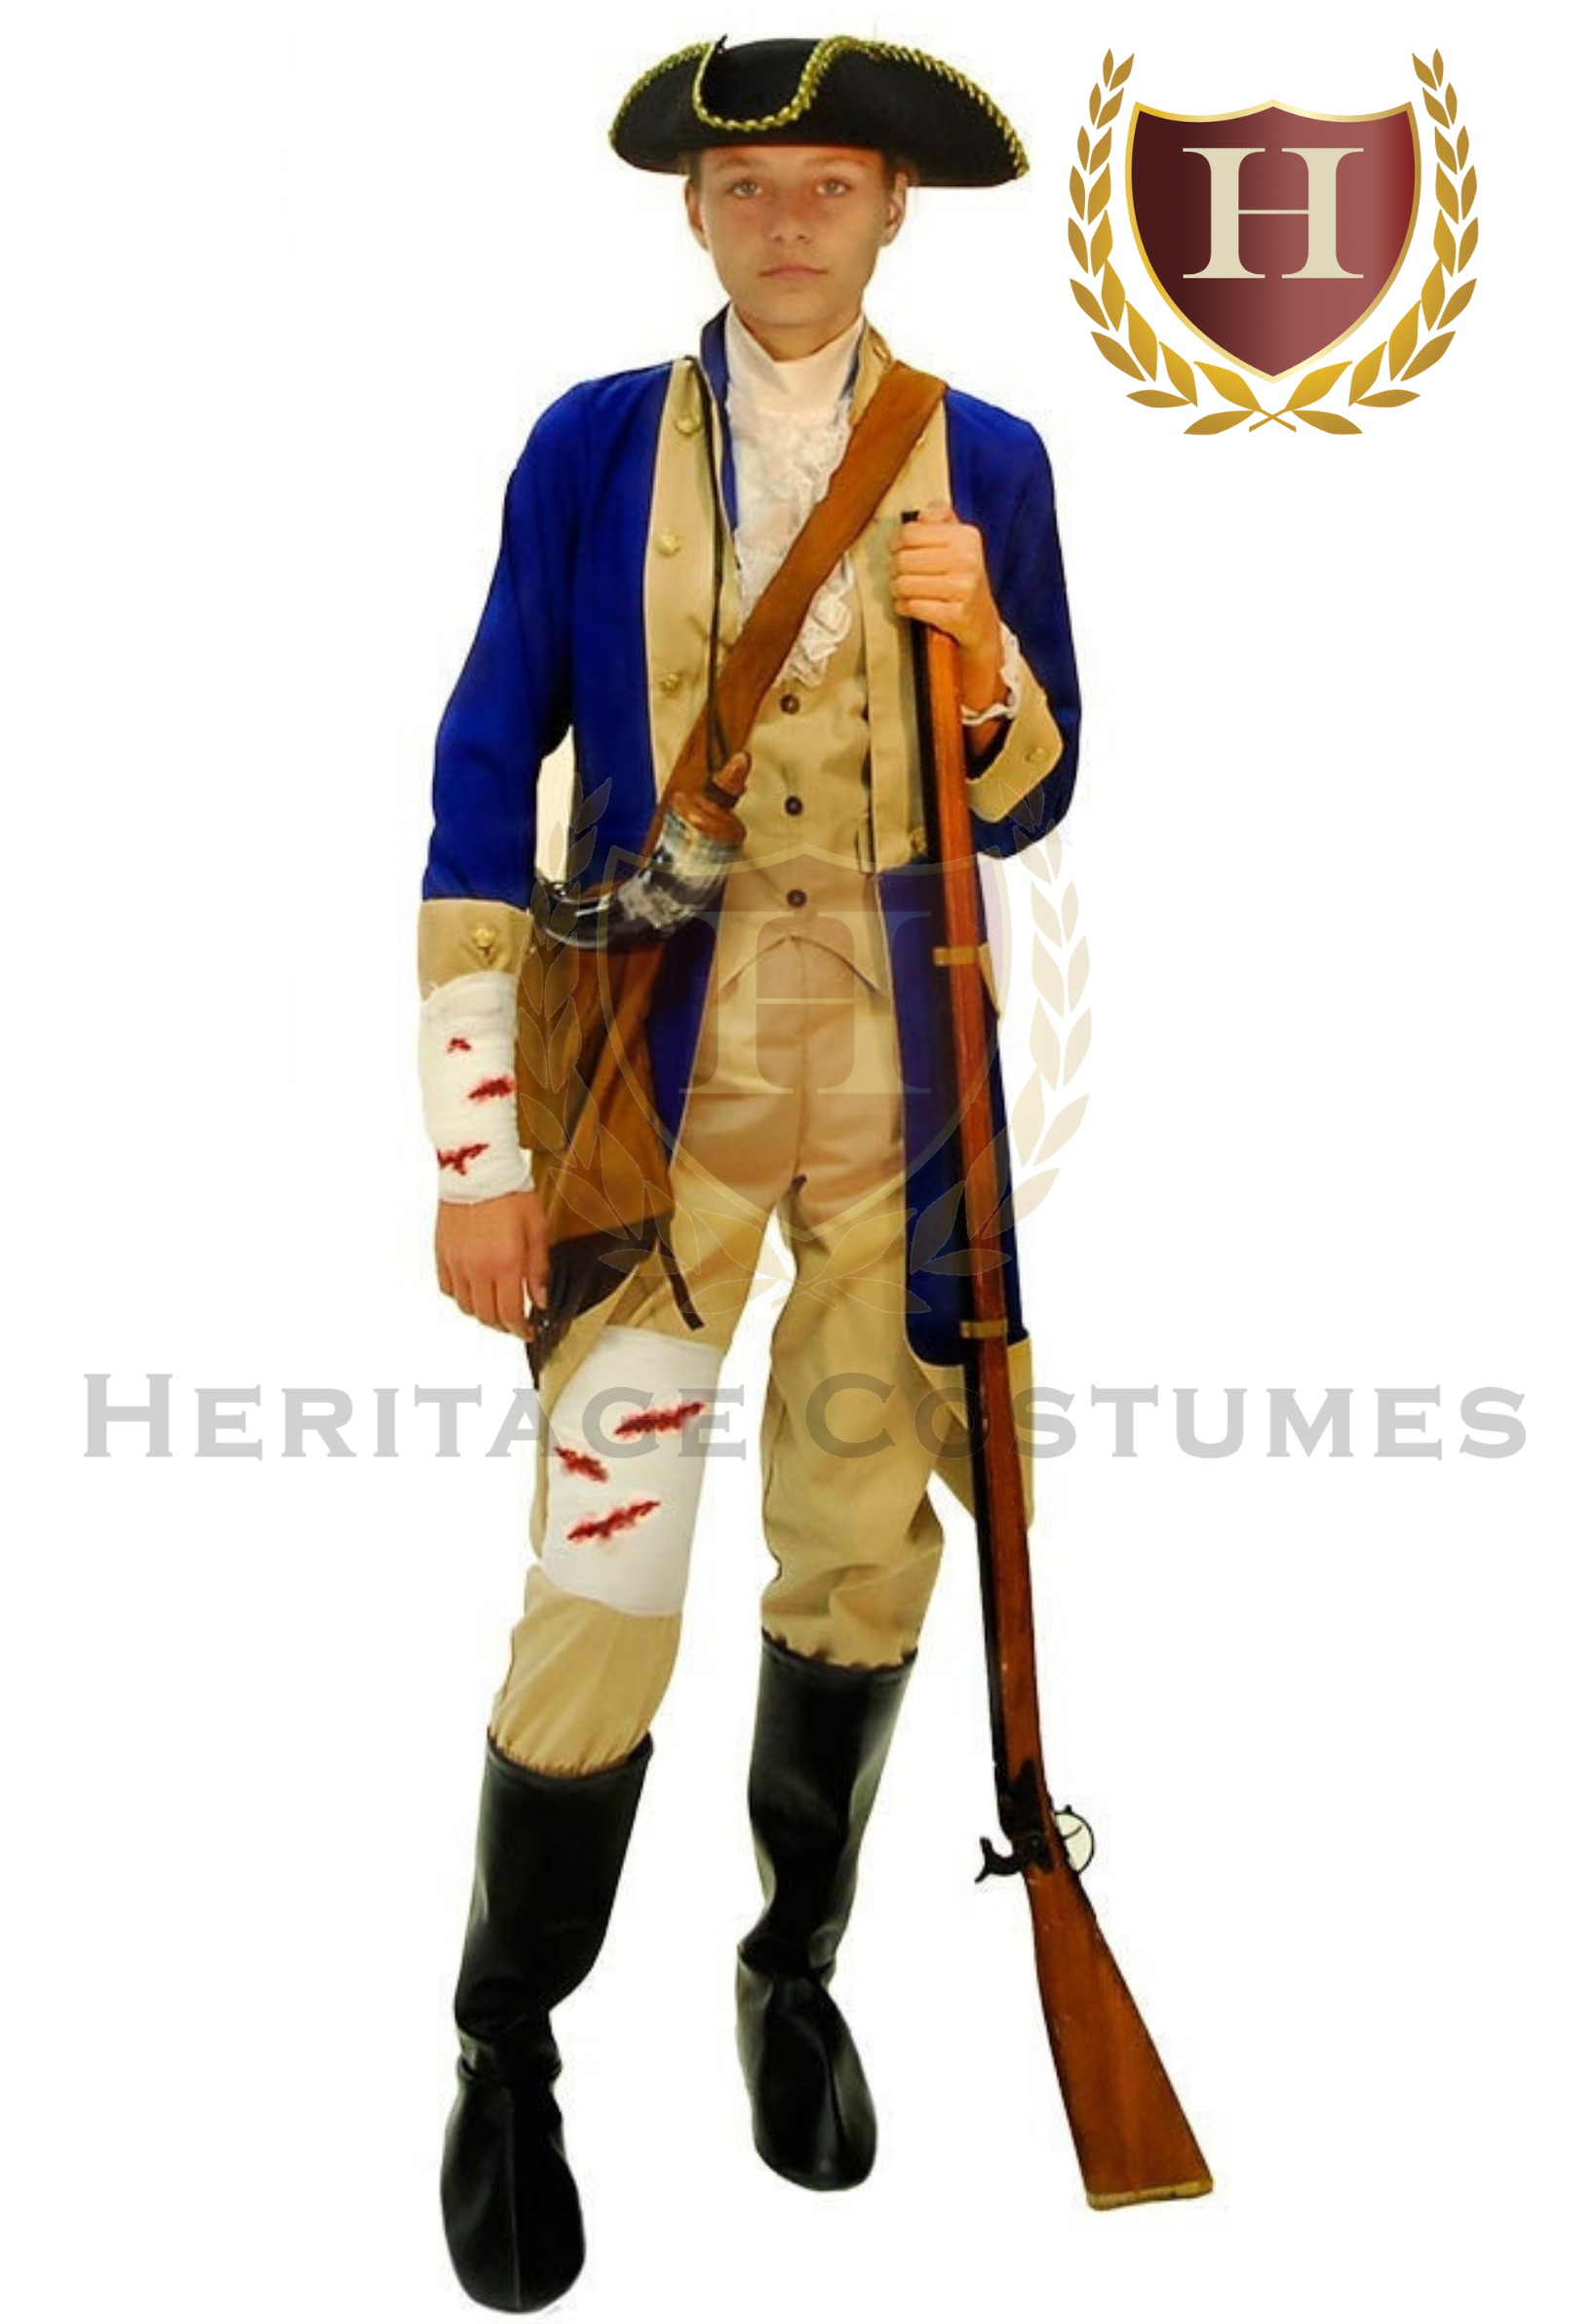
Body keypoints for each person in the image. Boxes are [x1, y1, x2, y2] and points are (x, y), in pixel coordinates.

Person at [417, 34, 1082, 2312]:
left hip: (902, 1084)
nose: (788, 220)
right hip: (649, 1083)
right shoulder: (589, 444)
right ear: (692, 214)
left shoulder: (988, 458)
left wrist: (977, 654)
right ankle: (506, 2043)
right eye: (748, 186)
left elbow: (1032, 793)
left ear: (895, 209)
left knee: (860, 1533)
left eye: (829, 183)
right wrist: (475, 1143)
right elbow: (483, 769)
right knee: (600, 1562)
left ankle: (789, 1967)